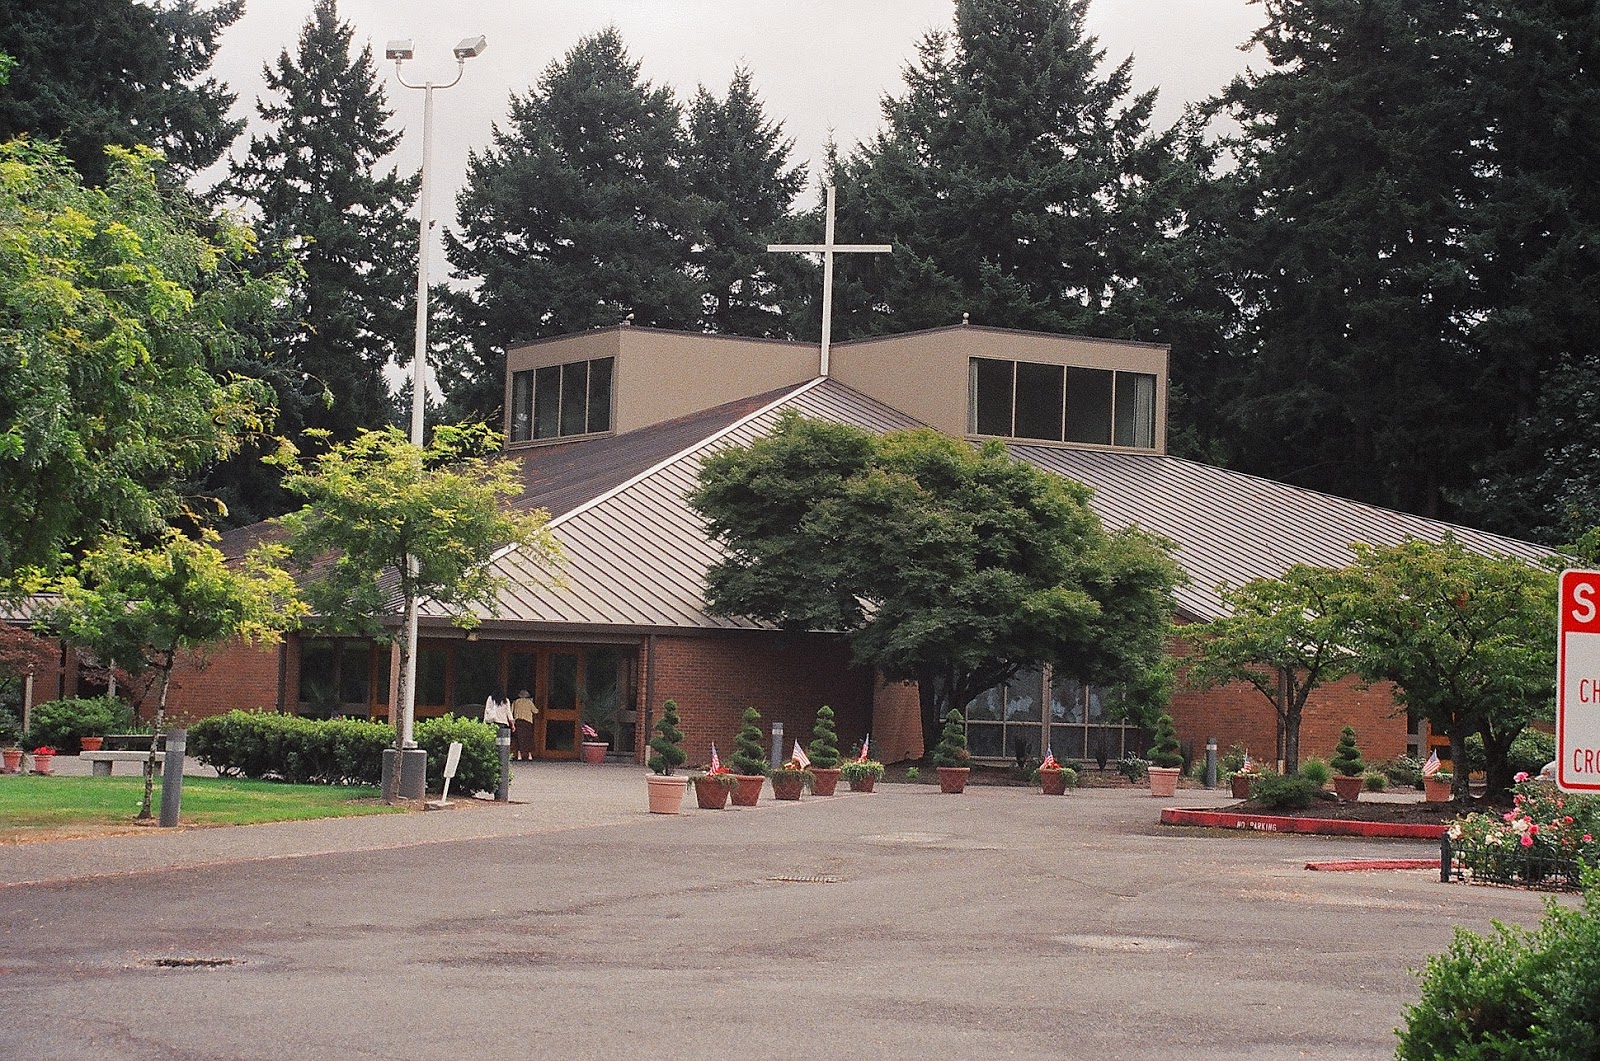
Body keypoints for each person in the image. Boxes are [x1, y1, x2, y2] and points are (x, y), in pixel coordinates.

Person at [511, 688, 538, 761]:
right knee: (528, 738)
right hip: (527, 722)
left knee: (519, 739)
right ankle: (529, 755)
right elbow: (535, 711)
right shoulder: (529, 702)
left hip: (518, 722)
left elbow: (511, 711)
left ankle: (519, 755)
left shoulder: (515, 702)